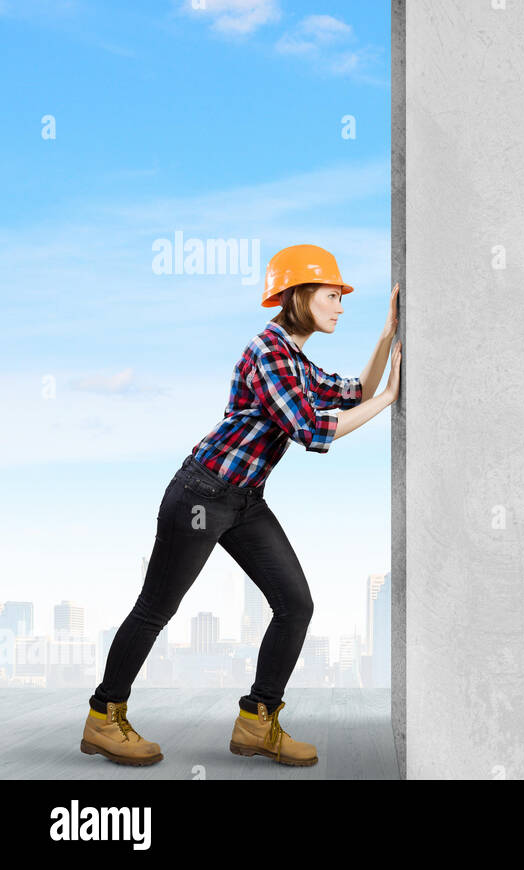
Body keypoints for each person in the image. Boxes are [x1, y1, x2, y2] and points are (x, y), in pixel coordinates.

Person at [80, 244, 402, 767]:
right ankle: (103, 717)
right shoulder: (269, 352)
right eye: (331, 295)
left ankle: (257, 720)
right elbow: (311, 428)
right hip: (201, 496)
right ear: (299, 296)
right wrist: (387, 400)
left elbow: (355, 389)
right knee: (156, 608)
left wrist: (387, 339)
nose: (341, 305)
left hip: (244, 501)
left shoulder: (295, 359)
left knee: (295, 604)